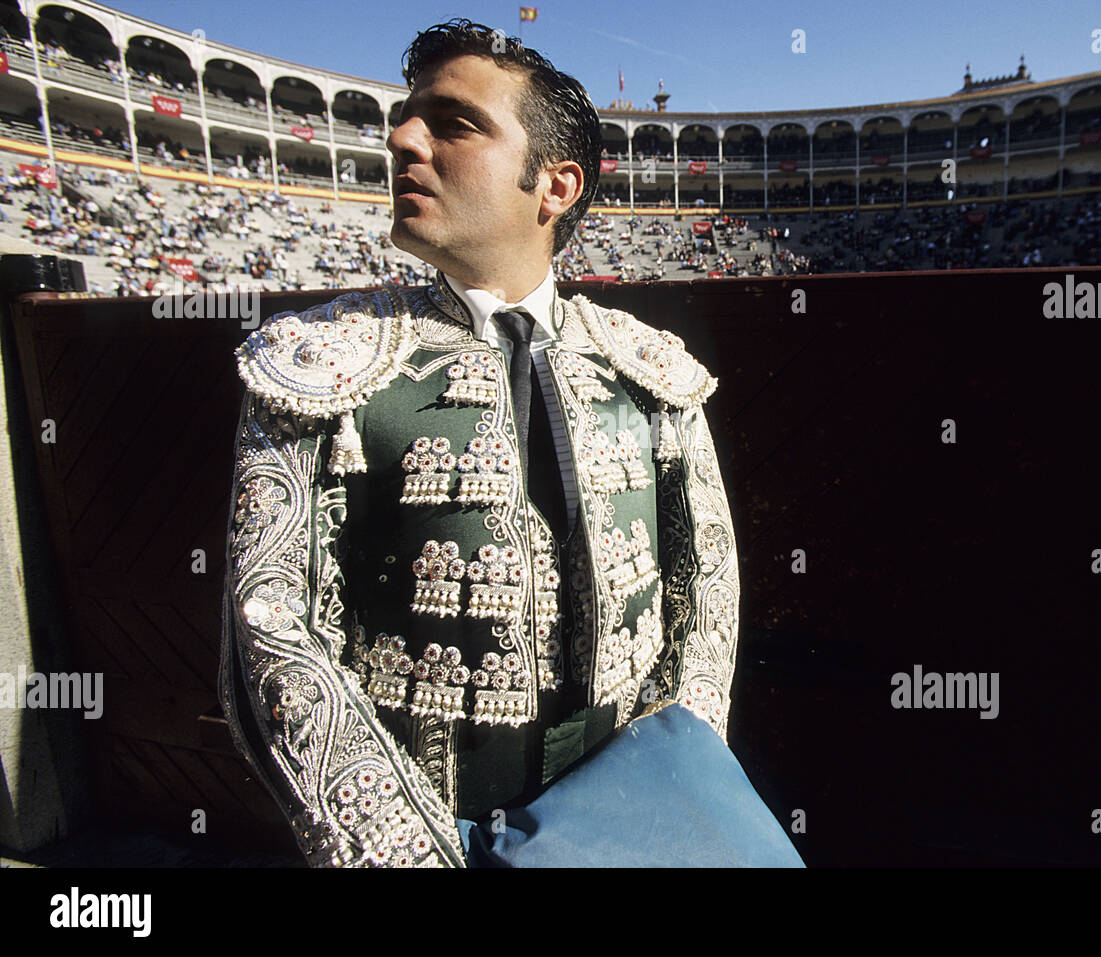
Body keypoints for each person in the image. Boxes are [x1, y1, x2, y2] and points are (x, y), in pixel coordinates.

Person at [220, 19, 742, 867]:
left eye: (454, 122)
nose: (400, 138)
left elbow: (707, 592)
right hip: (419, 834)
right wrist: (405, 853)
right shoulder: (316, 363)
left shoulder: (649, 370)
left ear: (555, 185)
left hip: (632, 818)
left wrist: (667, 788)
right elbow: (272, 628)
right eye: (406, 115)